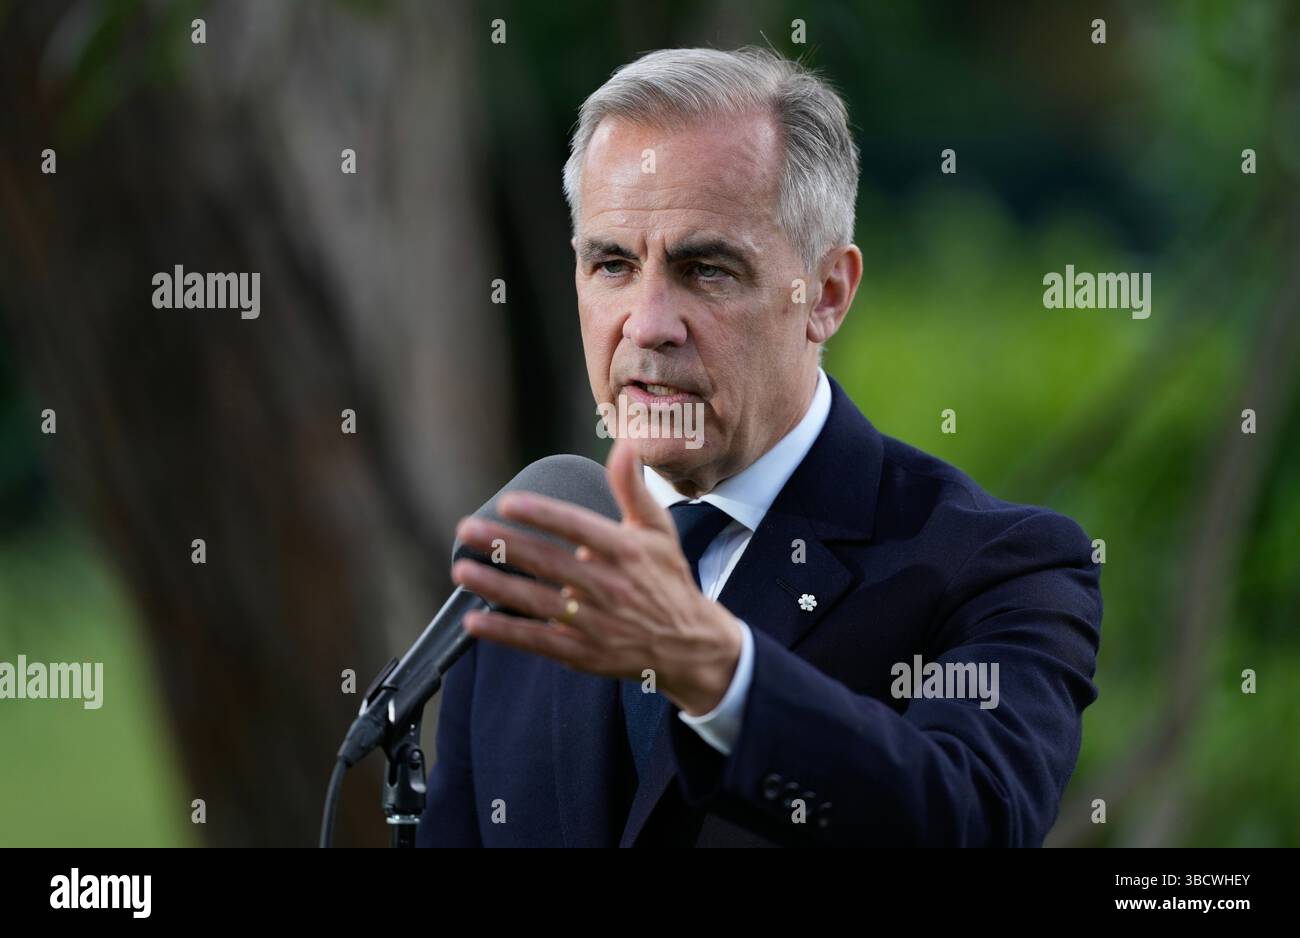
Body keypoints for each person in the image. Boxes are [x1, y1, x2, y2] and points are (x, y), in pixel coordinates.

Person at [416, 46, 1102, 847]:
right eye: (611, 264)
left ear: (828, 294)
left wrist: (718, 673)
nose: (647, 325)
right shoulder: (534, 563)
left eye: (705, 270)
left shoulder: (996, 566)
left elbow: (972, 819)